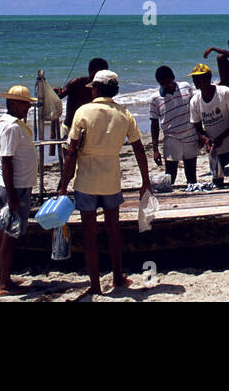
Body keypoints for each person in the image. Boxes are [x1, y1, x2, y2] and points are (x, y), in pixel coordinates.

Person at [57, 69, 151, 295]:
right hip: (111, 180)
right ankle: (118, 277)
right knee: (113, 231)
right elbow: (139, 148)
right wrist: (145, 181)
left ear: (96, 89)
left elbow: (71, 152)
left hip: (86, 181)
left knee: (90, 235)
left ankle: (96, 286)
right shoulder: (124, 114)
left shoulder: (83, 112)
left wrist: (63, 185)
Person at [0, 84, 38, 296]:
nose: (27, 108)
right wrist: (12, 194)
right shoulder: (11, 127)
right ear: (12, 103)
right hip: (14, 187)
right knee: (9, 235)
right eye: (24, 104)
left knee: (4, 232)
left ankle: (4, 278)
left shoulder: (10, 124)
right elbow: (7, 160)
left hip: (12, 185)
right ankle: (3, 283)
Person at [189, 63, 229, 188]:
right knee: (217, 182)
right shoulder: (195, 101)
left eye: (199, 78)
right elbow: (197, 126)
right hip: (216, 148)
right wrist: (206, 140)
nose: (196, 82)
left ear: (208, 78)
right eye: (194, 79)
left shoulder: (225, 93)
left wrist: (222, 137)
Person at [149, 66, 197, 185]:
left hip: (190, 136)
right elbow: (154, 125)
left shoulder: (186, 87)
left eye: (168, 82)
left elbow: (196, 110)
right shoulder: (155, 99)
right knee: (170, 177)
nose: (166, 86)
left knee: (191, 176)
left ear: (173, 78)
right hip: (171, 140)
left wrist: (201, 133)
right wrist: (155, 150)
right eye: (163, 84)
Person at [63, 57, 108, 131]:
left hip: (90, 129)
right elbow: (57, 99)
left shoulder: (103, 87)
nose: (101, 77)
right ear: (90, 71)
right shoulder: (76, 83)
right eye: (98, 73)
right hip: (70, 128)